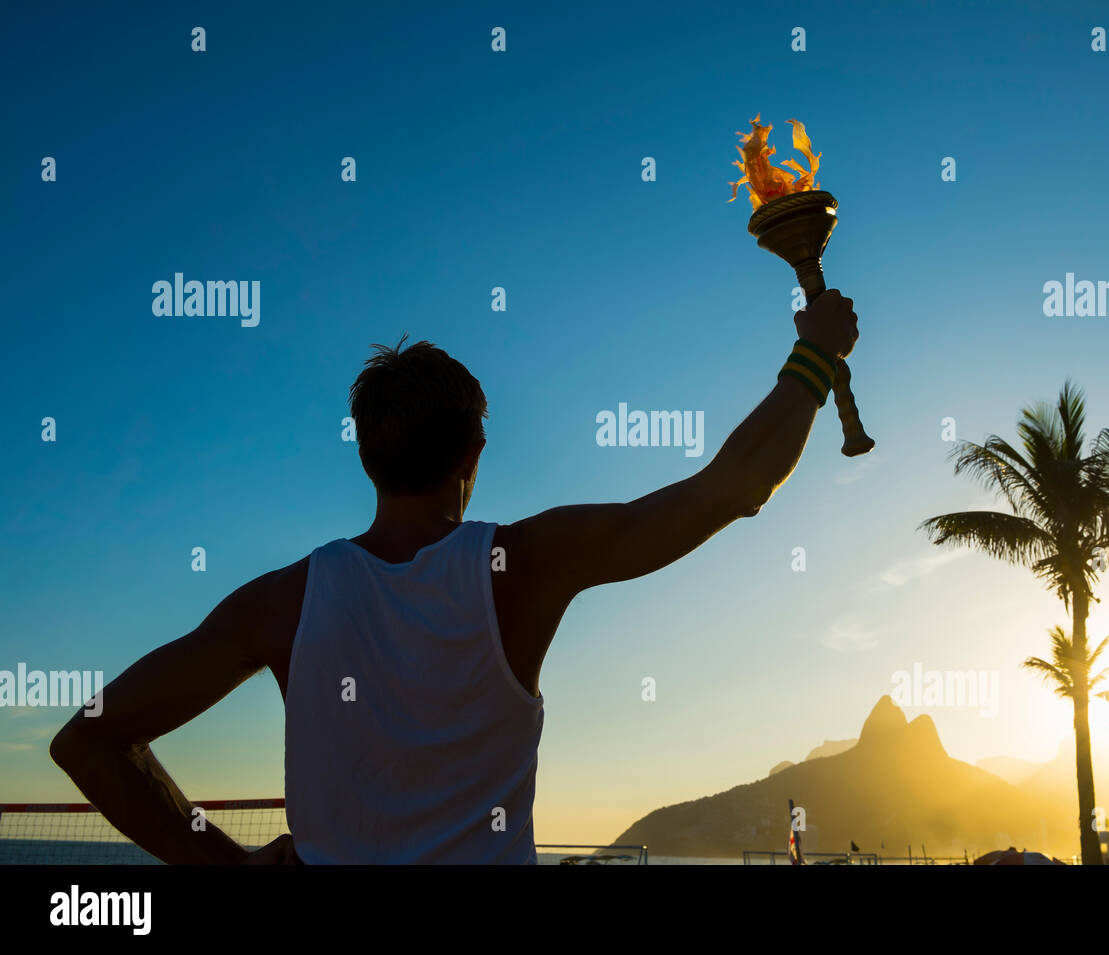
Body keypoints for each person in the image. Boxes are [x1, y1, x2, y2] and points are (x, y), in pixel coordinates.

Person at [50, 291, 860, 864]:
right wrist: (814, 355)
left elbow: (88, 740)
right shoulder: (524, 566)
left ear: (366, 457)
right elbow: (731, 487)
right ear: (472, 456)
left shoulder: (281, 601)